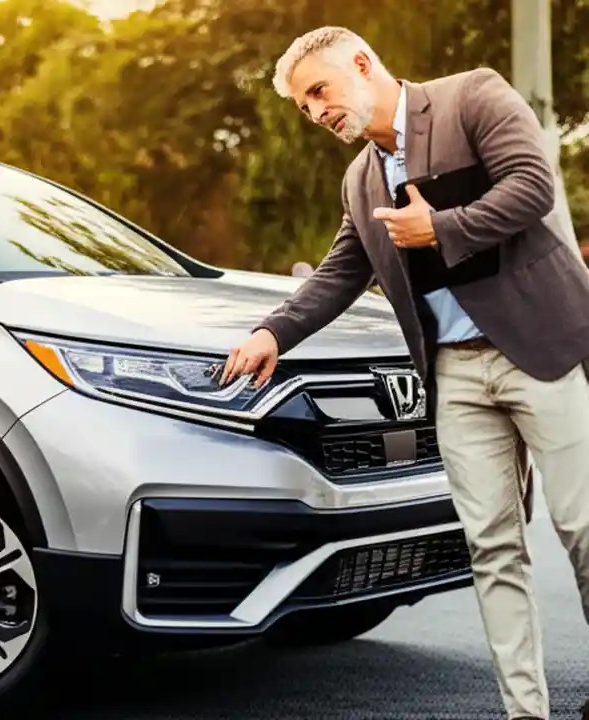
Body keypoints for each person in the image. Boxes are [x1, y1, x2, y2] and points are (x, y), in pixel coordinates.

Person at [220, 26, 589, 720]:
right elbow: (338, 274)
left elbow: (534, 186)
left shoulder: (470, 97)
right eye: (304, 107)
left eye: (319, 92)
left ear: (363, 62)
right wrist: (273, 330)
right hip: (456, 380)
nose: (317, 112)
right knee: (492, 548)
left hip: (540, 351)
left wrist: (440, 228)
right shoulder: (360, 180)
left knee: (583, 527)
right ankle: (527, 712)